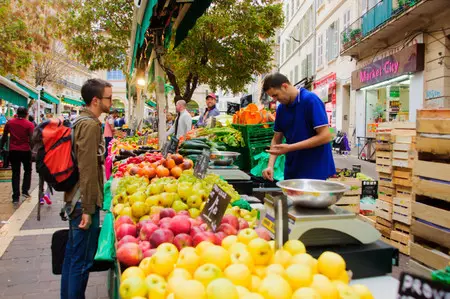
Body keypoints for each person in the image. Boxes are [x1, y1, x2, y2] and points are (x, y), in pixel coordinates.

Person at [61, 78, 112, 299]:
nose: (111, 102)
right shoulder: (90, 125)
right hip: (83, 202)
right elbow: (88, 170)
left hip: (76, 199)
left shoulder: (80, 121)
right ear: (95, 100)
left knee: (72, 258)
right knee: (82, 262)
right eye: (108, 98)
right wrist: (90, 210)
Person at [261, 73, 335, 181]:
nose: (275, 99)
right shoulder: (281, 109)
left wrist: (290, 147)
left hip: (315, 170)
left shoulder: (311, 100)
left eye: (276, 95)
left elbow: (326, 136)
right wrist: (270, 165)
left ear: (285, 86)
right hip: (292, 170)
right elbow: (276, 139)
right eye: (272, 97)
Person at [0, 107, 34, 204]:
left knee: (15, 173)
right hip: (25, 150)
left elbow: (5, 136)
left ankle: (15, 197)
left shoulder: (10, 123)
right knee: (27, 170)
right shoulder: (29, 124)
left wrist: (1, 147)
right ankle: (25, 190)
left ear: (17, 113)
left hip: (13, 150)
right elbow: (31, 139)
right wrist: (33, 151)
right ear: (26, 113)